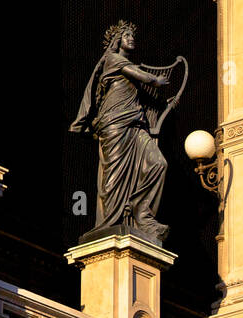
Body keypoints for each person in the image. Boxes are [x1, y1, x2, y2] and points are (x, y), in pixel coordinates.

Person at [70, 21, 172, 245]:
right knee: (113, 179)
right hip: (114, 126)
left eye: (132, 35)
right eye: (127, 35)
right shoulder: (113, 60)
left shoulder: (125, 66)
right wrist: (158, 80)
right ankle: (111, 220)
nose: (131, 38)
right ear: (117, 41)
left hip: (136, 125)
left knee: (158, 164)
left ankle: (142, 213)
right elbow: (145, 77)